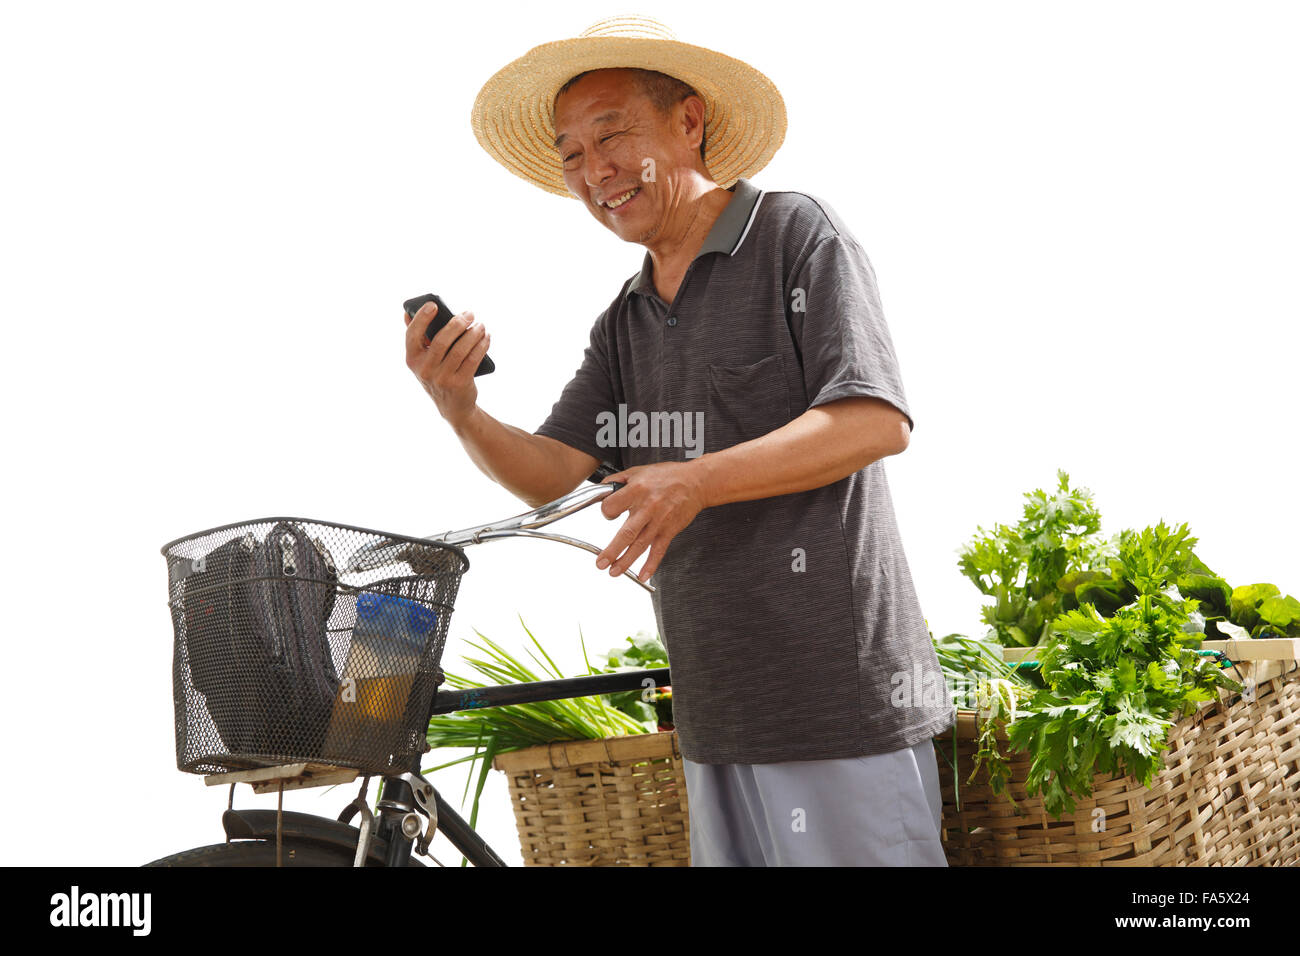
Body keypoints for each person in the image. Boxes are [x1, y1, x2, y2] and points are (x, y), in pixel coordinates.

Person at [405, 15, 956, 866]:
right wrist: (460, 410)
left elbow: (873, 420)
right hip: (716, 714)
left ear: (689, 122)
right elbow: (556, 474)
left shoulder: (795, 235)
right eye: (572, 155)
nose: (595, 173)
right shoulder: (624, 321)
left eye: (611, 135)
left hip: (832, 705)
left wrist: (694, 481)